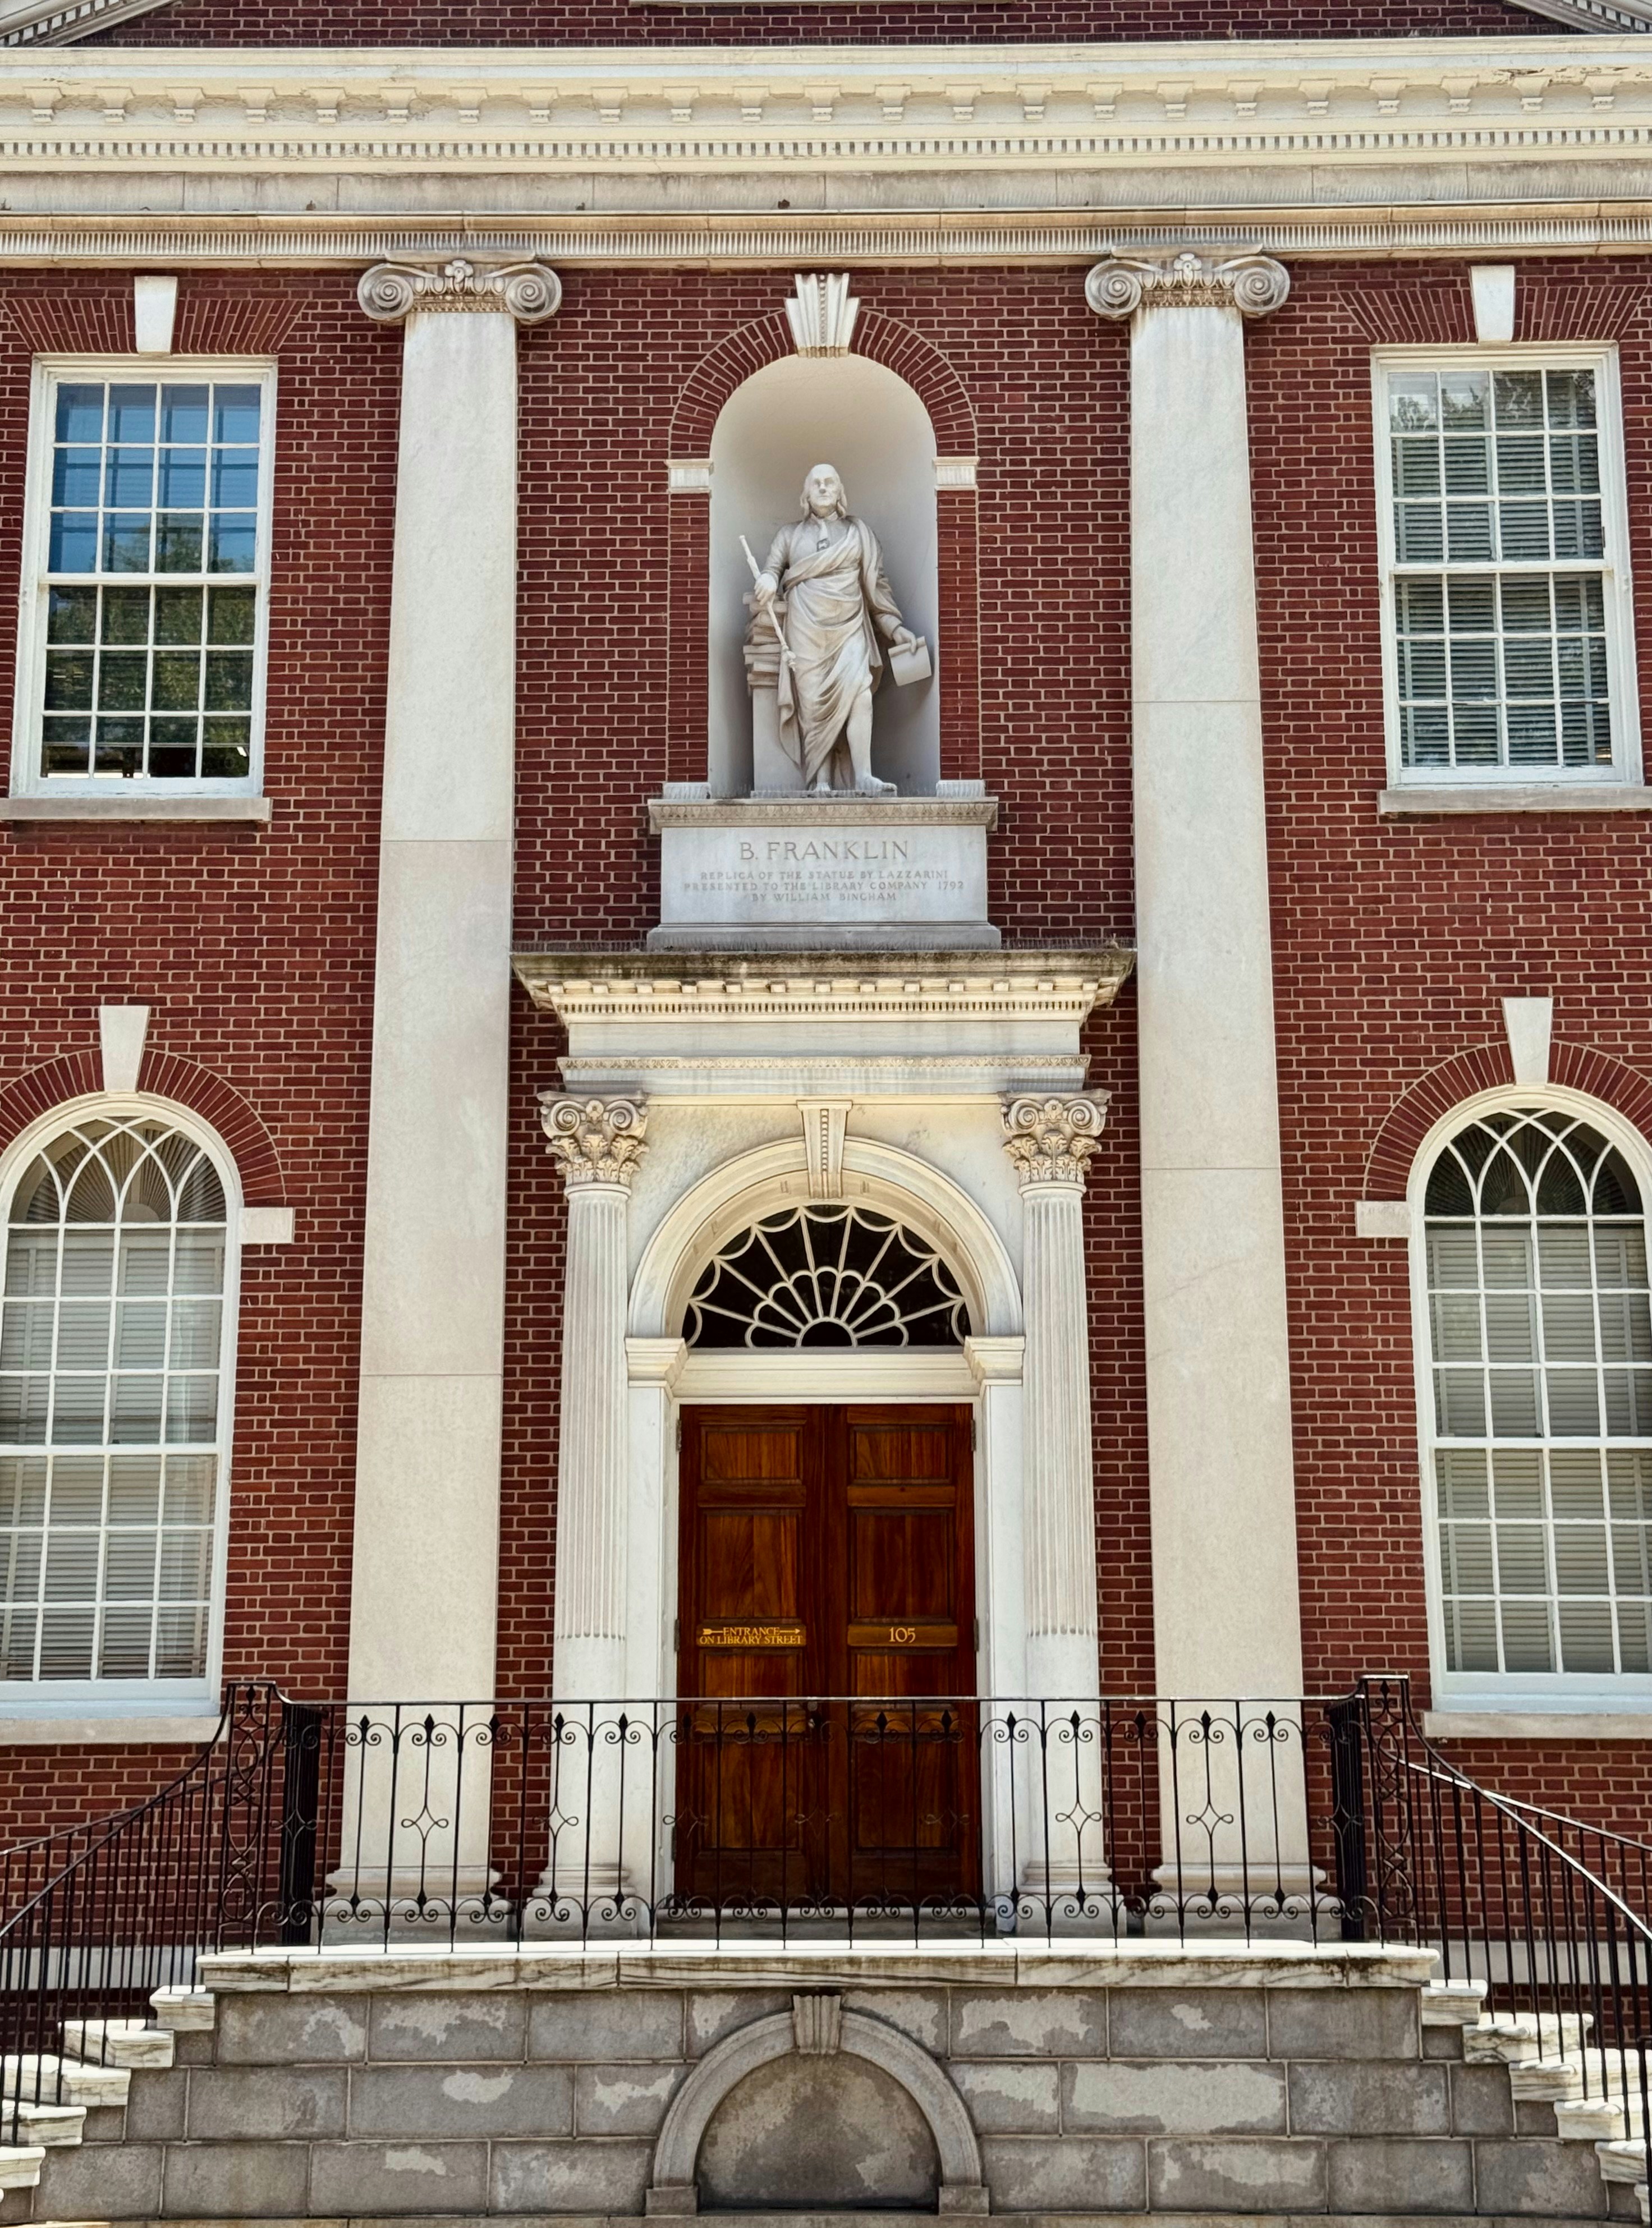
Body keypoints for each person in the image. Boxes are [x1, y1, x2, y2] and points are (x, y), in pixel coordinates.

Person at [752, 463, 919, 794]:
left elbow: (876, 587)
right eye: (816, 483)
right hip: (806, 631)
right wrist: (769, 580)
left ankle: (864, 776)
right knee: (813, 705)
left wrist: (894, 628)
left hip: (850, 626)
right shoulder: (789, 535)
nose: (823, 488)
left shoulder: (859, 533)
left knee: (860, 693)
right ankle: (822, 781)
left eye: (830, 482)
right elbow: (772, 569)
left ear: (841, 491)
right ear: (806, 493)